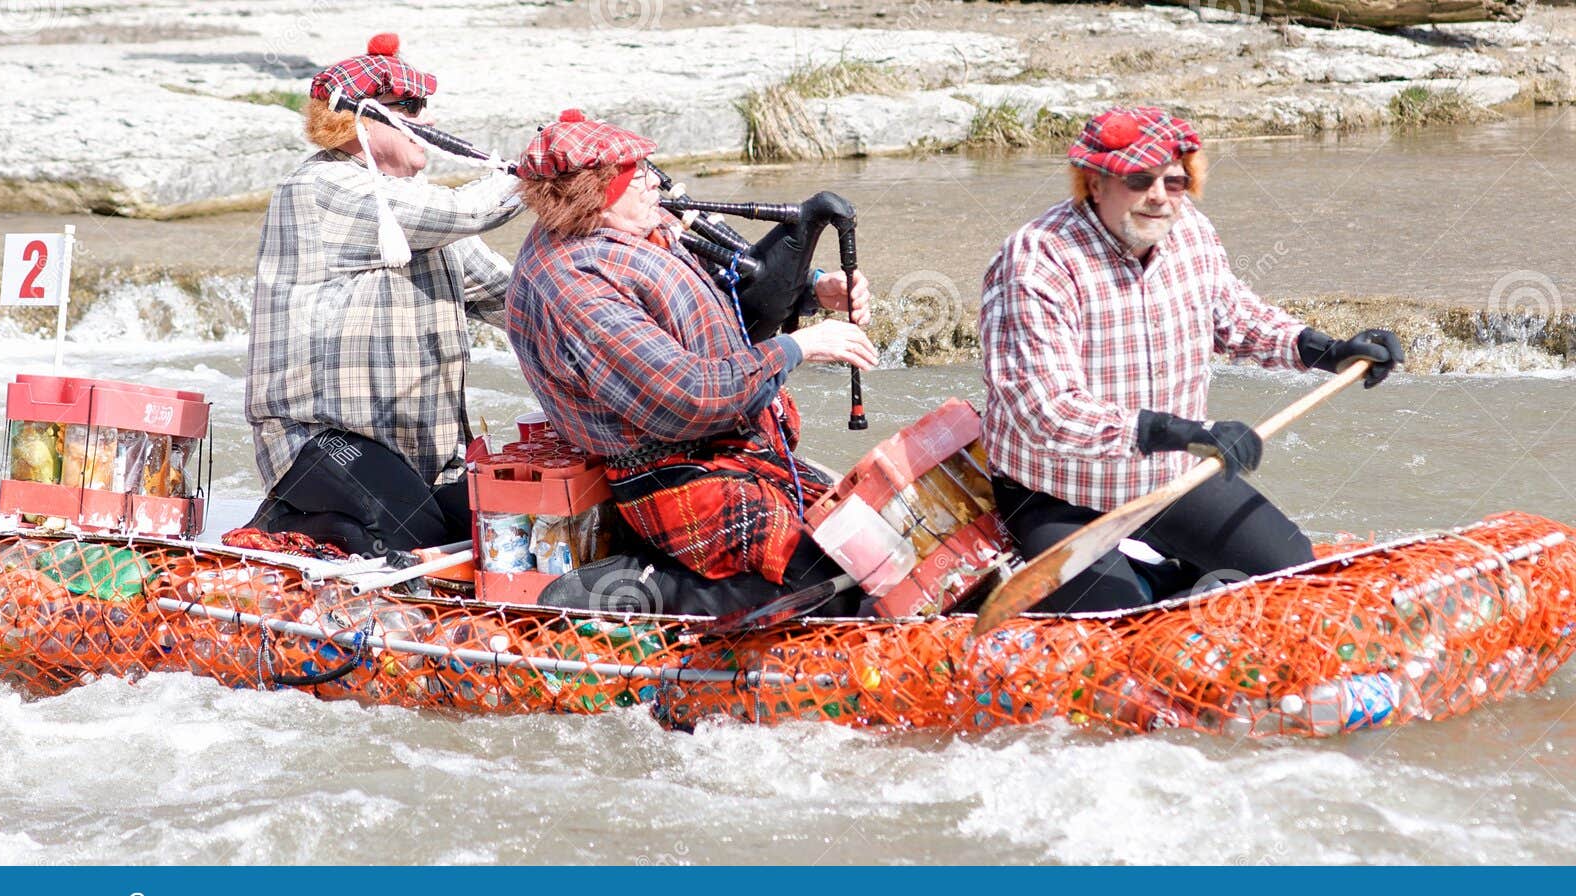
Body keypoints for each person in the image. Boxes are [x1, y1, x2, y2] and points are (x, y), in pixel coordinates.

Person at [980, 106, 1404, 614]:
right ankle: (1133, 580)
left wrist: (1326, 350)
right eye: (1139, 180)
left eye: (1175, 182)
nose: (1159, 197)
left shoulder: (1191, 231)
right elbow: (1044, 411)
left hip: (1169, 478)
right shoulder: (1036, 259)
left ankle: (1161, 573)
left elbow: (1236, 318)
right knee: (1118, 620)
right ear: (1094, 184)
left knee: (1290, 571)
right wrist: (1186, 432)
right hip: (1057, 489)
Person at [503, 109, 877, 615]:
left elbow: (729, 282)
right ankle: (649, 587)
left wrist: (813, 291)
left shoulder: (638, 226)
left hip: (737, 447)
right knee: (825, 576)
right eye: (636, 176)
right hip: (673, 475)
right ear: (595, 195)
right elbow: (687, 397)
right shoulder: (573, 284)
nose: (654, 182)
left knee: (868, 541)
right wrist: (800, 348)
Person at [244, 33, 523, 556]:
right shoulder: (319, 189)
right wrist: (545, 174)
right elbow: (468, 211)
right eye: (412, 107)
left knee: (508, 532)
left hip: (423, 461)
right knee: (418, 545)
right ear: (362, 122)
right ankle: (283, 525)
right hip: (320, 441)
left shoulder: (415, 210)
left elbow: (516, 301)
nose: (430, 121)